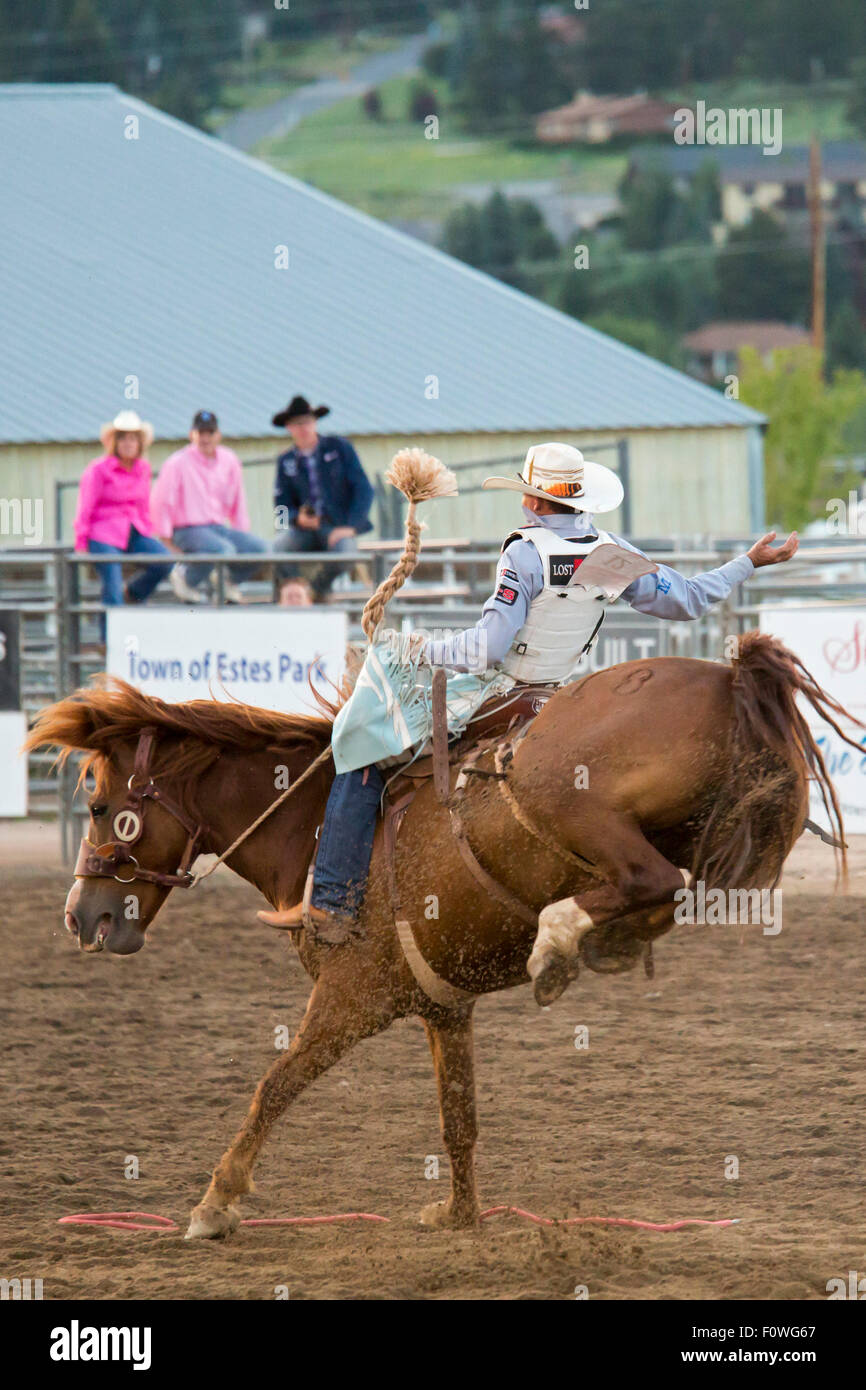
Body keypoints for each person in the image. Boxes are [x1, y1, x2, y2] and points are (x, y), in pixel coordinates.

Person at [259, 441, 800, 948]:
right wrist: (747, 562)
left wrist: (416, 649)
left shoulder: (525, 552)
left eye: (526, 492)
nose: (522, 501)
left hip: (500, 690)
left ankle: (332, 901)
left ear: (537, 500)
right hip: (556, 694)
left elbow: (489, 648)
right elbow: (684, 600)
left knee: (361, 734)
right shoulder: (611, 552)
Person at [150, 410, 267, 604]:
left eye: (209, 433)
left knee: (261, 549)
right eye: (200, 433)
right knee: (223, 551)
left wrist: (241, 530)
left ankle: (227, 581)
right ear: (191, 435)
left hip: (218, 529)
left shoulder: (229, 460)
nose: (205, 438)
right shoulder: (177, 463)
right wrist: (165, 539)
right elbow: (162, 501)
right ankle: (186, 577)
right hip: (187, 529)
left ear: (218, 435)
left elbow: (238, 498)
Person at [74, 411, 172, 634]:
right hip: (103, 533)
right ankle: (109, 637)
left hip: (133, 530)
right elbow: (85, 507)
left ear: (140, 443)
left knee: (164, 561)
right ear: (115, 442)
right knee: (112, 580)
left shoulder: (142, 469)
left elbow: (143, 505)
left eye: (133, 439)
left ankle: (134, 593)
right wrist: (81, 541)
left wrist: (148, 530)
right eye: (123, 438)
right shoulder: (98, 470)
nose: (128, 444)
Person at [271, 395, 374, 598]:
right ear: (289, 427)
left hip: (338, 525)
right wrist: (294, 519)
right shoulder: (286, 460)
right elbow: (280, 505)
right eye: (297, 423)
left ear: (315, 422)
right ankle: (294, 592)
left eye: (307, 422)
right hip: (303, 530)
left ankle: (317, 589)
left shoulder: (340, 448)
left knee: (346, 554)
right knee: (278, 547)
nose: (303, 428)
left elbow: (364, 489)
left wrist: (350, 526)